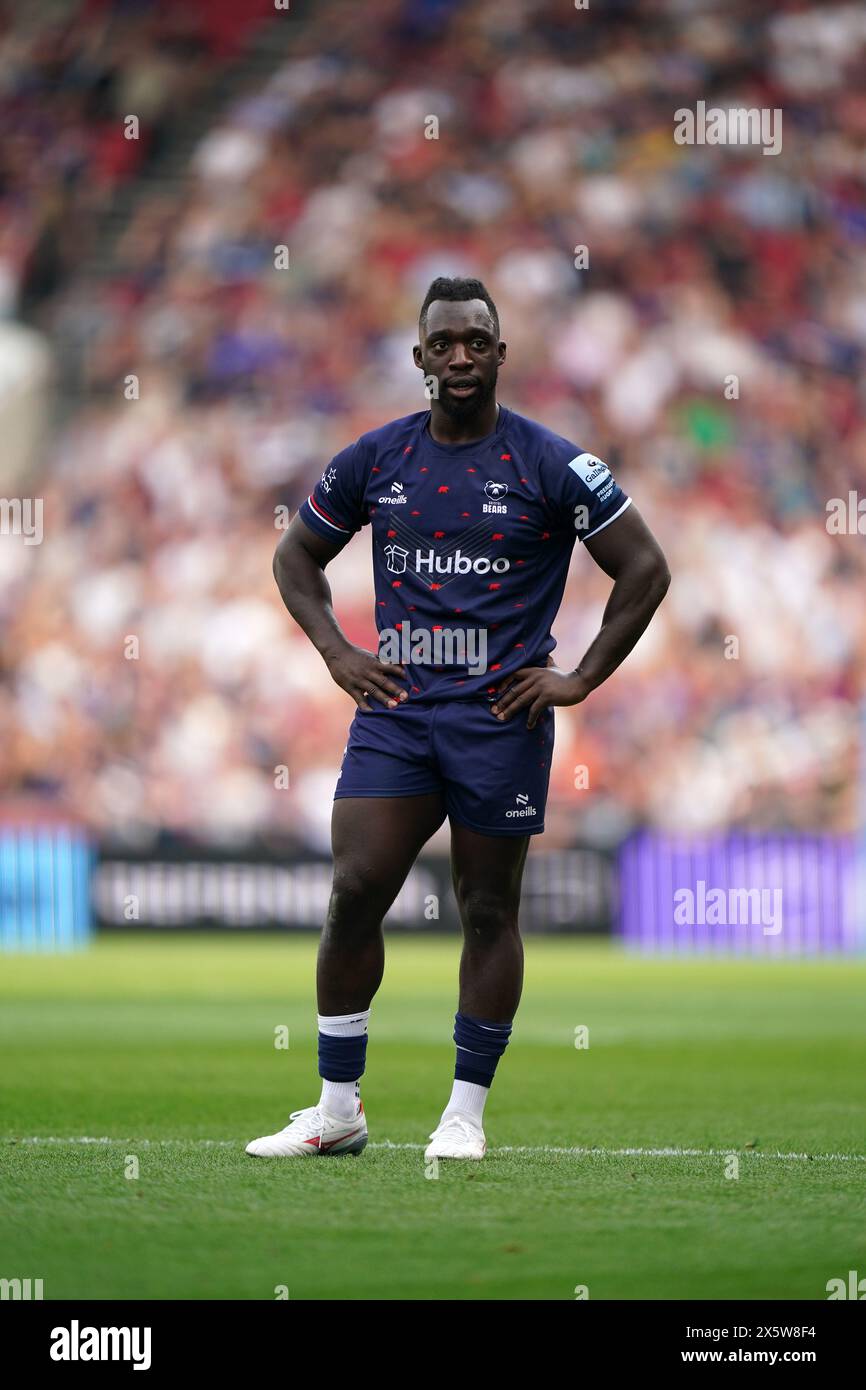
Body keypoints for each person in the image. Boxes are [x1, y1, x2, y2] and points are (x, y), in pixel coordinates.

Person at [246, 277, 670, 1161]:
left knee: (486, 908)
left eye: (477, 341)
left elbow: (645, 569)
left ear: (501, 353)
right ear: (420, 358)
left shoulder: (552, 463)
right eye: (444, 344)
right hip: (397, 712)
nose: (461, 356)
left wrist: (581, 677)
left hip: (499, 718)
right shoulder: (374, 459)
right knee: (356, 888)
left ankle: (464, 1115)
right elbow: (296, 557)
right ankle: (337, 1109)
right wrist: (336, 652)